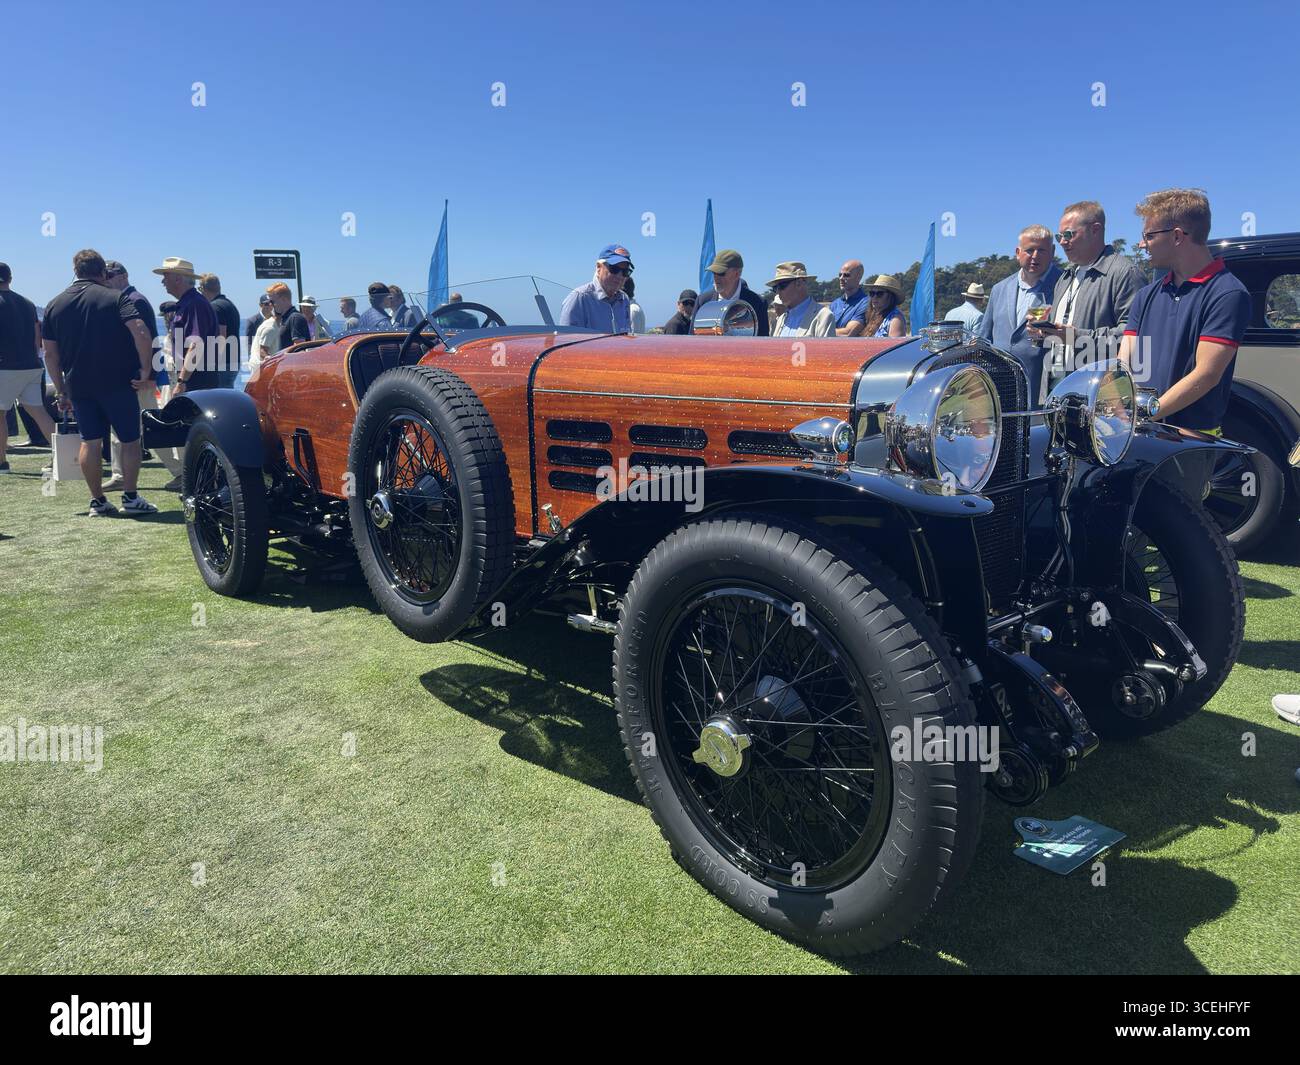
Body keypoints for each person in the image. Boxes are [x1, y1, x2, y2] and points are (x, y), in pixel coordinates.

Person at [1117, 188, 1250, 436]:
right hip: (1139, 431)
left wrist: (1143, 415)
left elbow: (1207, 374)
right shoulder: (1146, 295)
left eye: (1148, 235)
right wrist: (1116, 405)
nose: (1142, 244)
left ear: (1177, 236)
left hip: (1190, 440)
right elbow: (1124, 362)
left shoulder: (1228, 293)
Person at [40, 249, 157, 516]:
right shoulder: (117, 298)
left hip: (79, 384)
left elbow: (49, 353)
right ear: (102, 272)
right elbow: (140, 331)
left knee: (90, 441)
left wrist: (60, 388)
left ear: (75, 271)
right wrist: (145, 369)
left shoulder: (54, 304)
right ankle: (130, 497)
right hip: (117, 382)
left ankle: (98, 501)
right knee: (129, 440)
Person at [1032, 200, 1146, 392]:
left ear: (1095, 230)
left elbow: (1135, 338)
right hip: (1056, 388)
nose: (1061, 241)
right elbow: (1061, 334)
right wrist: (1042, 331)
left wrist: (1077, 337)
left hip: (1098, 394)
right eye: (1059, 236)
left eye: (1069, 234)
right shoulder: (1065, 277)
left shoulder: (1125, 273)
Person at [104, 260, 182, 487]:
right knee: (131, 424)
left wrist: (148, 375)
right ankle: (119, 474)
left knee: (150, 424)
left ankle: (179, 471)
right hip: (134, 374)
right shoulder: (128, 299)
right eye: (105, 276)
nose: (106, 280)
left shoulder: (134, 300)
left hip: (138, 375)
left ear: (122, 276)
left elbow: (147, 339)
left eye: (110, 275)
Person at [976, 226, 1062, 400]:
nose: (1035, 256)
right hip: (1000, 390)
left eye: (1042, 250)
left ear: (1052, 252)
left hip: (1045, 391)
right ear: (1018, 252)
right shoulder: (999, 289)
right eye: (1029, 250)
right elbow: (984, 339)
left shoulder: (1064, 285)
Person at [0, 262, 55, 473]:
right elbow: (37, 337)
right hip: (31, 365)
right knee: (39, 412)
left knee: (0, 414)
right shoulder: (28, 303)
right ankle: (62, 456)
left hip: (5, 366)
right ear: (10, 278)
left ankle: (2, 463)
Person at [154, 256, 221, 395]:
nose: (162, 281)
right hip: (193, 380)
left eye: (166, 276)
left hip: (196, 382)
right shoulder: (188, 303)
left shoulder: (194, 304)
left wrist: (182, 382)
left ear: (178, 279)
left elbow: (196, 345)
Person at [559, 244, 634, 332]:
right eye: (614, 269)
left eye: (625, 272)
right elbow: (566, 339)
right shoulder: (579, 298)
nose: (620, 275)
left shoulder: (624, 299)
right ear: (599, 267)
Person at [697, 249, 770, 336]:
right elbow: (692, 340)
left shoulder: (757, 303)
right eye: (714, 272)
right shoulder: (703, 301)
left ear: (737, 274)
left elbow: (762, 341)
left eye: (721, 273)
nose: (716, 277)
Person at [198, 273, 243, 387]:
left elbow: (220, 338)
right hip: (232, 361)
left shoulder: (215, 307)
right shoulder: (229, 305)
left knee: (220, 401)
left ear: (203, 289)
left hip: (222, 364)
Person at [769, 262, 836, 338]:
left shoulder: (824, 316)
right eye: (775, 288)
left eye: (781, 286)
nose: (777, 292)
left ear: (799, 283)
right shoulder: (780, 320)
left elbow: (825, 349)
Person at [267, 283, 311, 354]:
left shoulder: (295, 318)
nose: (270, 305)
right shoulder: (286, 318)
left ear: (283, 299)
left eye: (272, 301)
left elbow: (300, 351)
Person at [830, 260, 870, 336]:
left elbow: (848, 333)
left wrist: (822, 332)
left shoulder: (866, 303)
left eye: (846, 275)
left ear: (858, 277)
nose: (841, 278)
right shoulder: (834, 304)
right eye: (840, 275)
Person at [250, 295, 278, 373]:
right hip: (260, 366)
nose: (269, 306)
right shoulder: (252, 321)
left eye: (271, 304)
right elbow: (252, 344)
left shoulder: (272, 322)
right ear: (260, 305)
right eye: (266, 304)